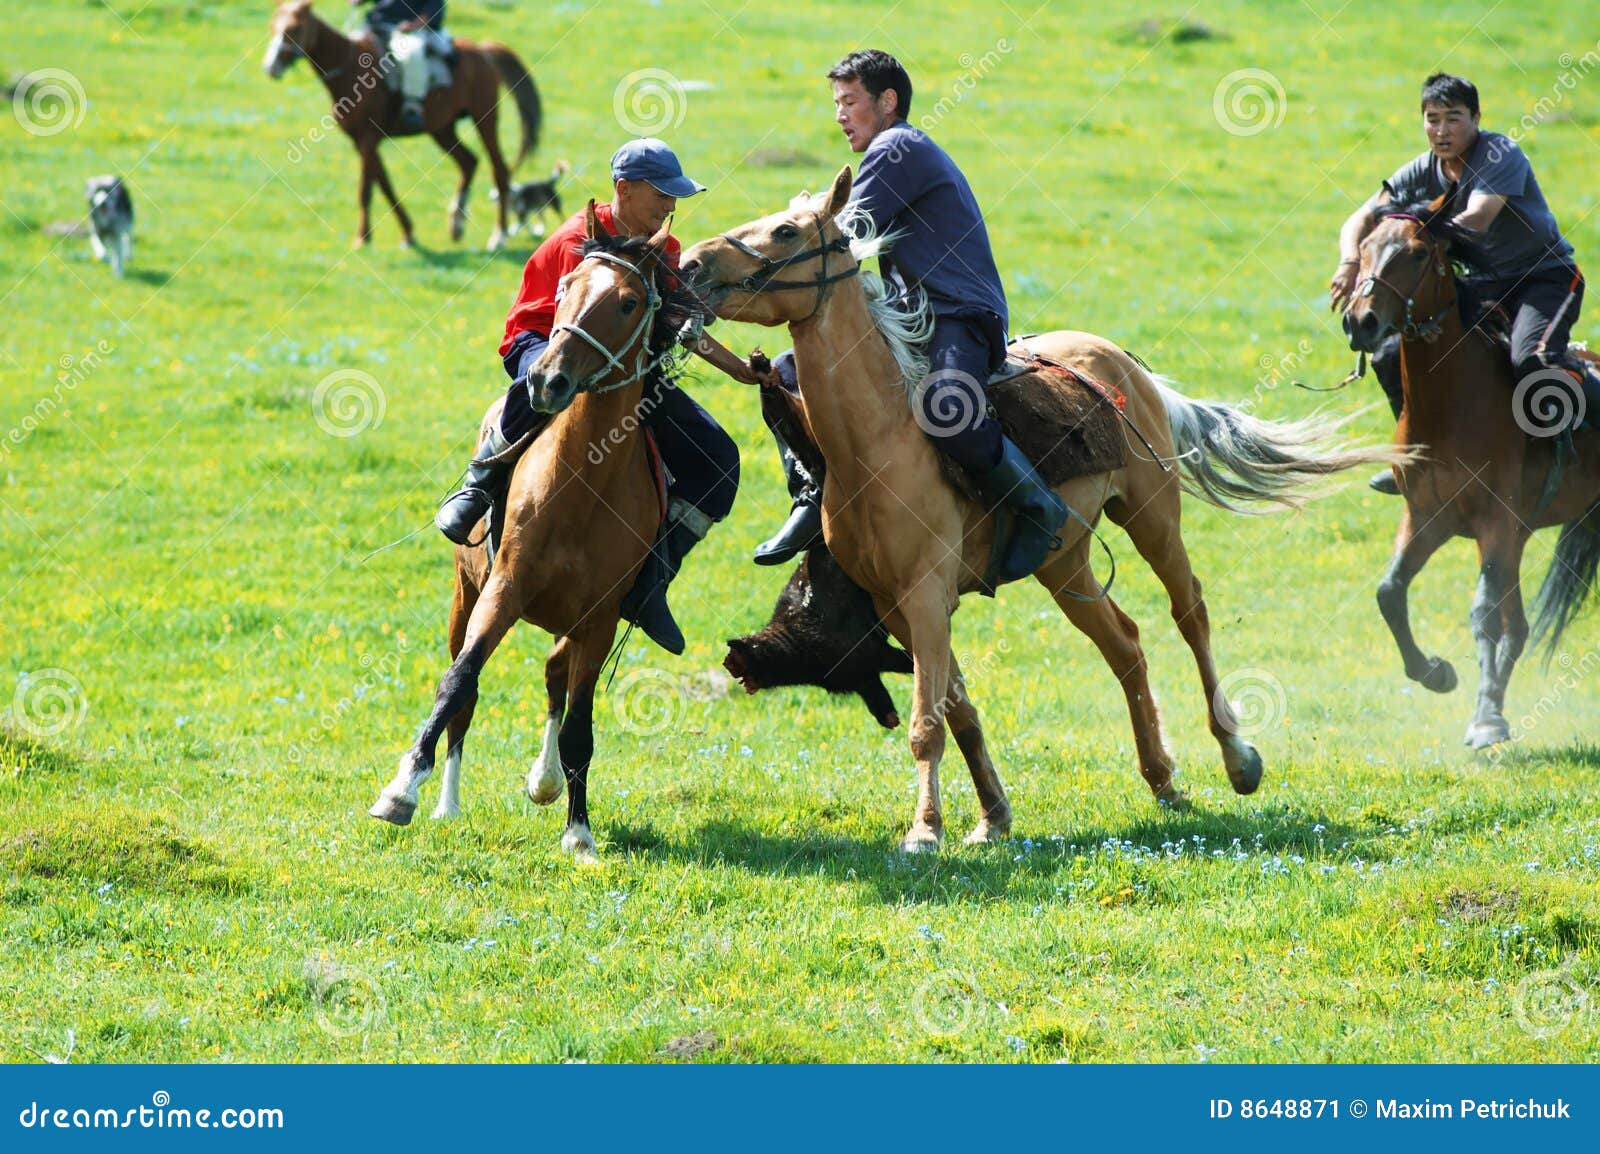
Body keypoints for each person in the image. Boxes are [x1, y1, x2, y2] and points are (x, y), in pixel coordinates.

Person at [436, 139, 762, 655]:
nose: (671, 206)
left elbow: (678, 323)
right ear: (623, 189)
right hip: (544, 342)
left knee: (718, 458)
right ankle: (478, 484)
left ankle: (650, 580)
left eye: (675, 196)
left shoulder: (664, 247)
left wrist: (740, 370)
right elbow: (562, 331)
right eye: (661, 194)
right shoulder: (576, 240)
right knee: (547, 386)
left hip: (620, 364)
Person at [752, 49, 1067, 584]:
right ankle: (813, 493)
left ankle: (1040, 508)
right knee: (787, 372)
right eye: (836, 103)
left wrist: (803, 219)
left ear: (888, 101)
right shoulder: (891, 150)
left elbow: (845, 236)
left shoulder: (899, 147)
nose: (839, 114)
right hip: (909, 317)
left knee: (948, 405)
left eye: (850, 101)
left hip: (957, 313)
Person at [1330, 72, 1597, 494]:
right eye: (1432, 119)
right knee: (1389, 353)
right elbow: (1361, 219)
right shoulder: (1421, 169)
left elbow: (1478, 216)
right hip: (1481, 287)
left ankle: (1567, 452)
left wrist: (1416, 230)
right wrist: (1350, 262)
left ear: (1476, 117)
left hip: (1542, 280)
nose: (1441, 130)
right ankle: (1417, 456)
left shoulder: (1499, 154)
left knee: (1530, 360)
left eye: (1453, 118)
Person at [353, 0, 449, 133]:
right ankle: (350, 100)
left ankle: (412, 107)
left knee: (411, 54)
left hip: (407, 30)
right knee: (350, 52)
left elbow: (434, 10)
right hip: (374, 26)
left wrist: (414, 25)